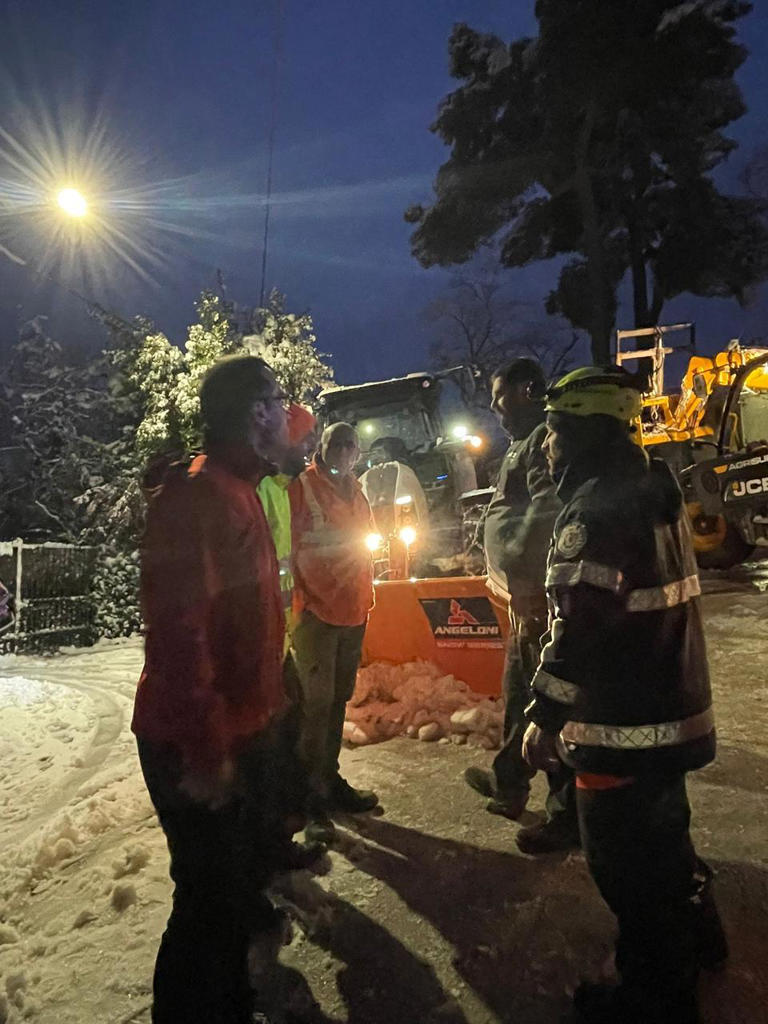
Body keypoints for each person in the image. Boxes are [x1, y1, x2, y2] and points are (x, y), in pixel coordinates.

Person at [523, 366, 727, 1024]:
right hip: (674, 716)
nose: (547, 448)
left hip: (620, 728)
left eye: (553, 433)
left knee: (628, 872)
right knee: (668, 847)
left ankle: (655, 998)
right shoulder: (651, 487)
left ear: (581, 432)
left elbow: (579, 626)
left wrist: (544, 715)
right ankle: (700, 939)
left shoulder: (593, 510)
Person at [132, 355, 292, 1024]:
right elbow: (179, 635)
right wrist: (207, 751)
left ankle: (230, 1002)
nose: (289, 413)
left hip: (236, 730)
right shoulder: (198, 494)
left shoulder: (241, 486)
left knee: (228, 895)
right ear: (256, 413)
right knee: (205, 901)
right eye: (280, 401)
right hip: (193, 741)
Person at [464, 358, 577, 854]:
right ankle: (509, 784)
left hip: (536, 599)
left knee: (545, 703)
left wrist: (527, 581)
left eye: (500, 398)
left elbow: (546, 515)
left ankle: (565, 813)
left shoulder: (542, 442)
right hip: (522, 597)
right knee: (516, 694)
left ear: (528, 390)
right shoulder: (521, 444)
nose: (494, 408)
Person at [289, 421, 379, 844]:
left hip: (352, 611)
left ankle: (329, 780)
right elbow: (287, 549)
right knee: (314, 706)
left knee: (337, 700)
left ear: (357, 453)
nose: (344, 451)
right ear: (321, 448)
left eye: (350, 445)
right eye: (336, 443)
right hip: (316, 615)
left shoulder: (357, 491)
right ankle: (309, 802)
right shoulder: (302, 489)